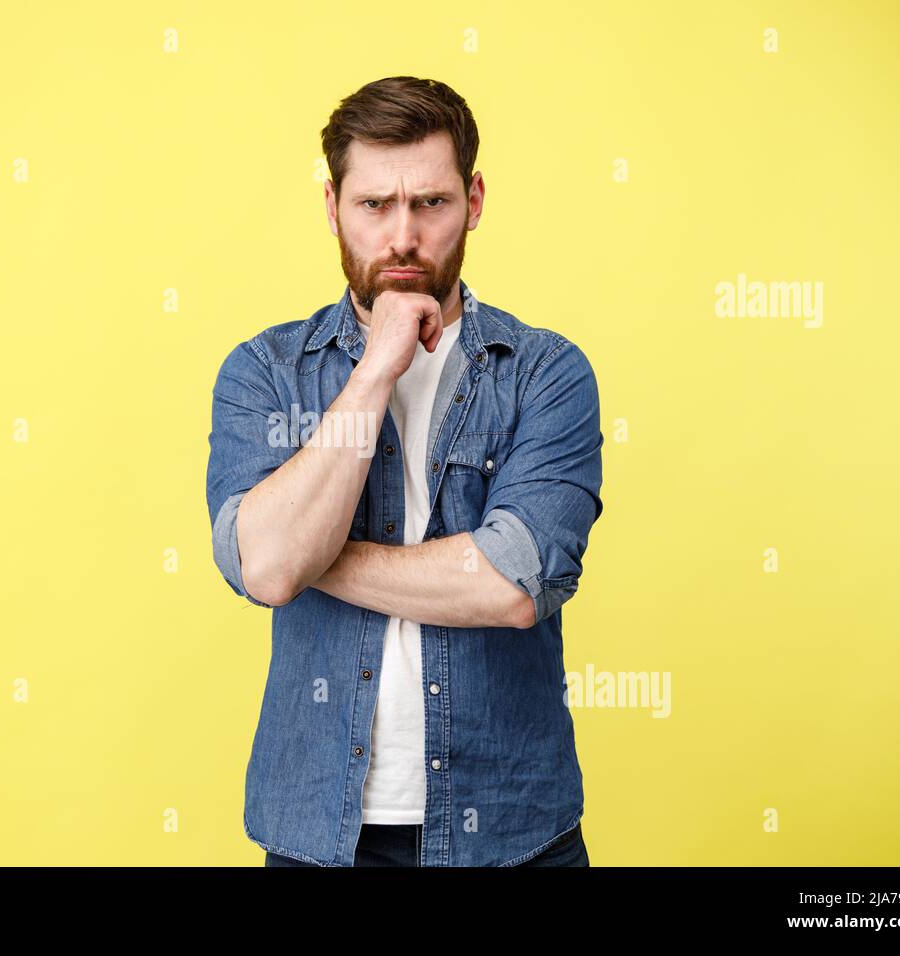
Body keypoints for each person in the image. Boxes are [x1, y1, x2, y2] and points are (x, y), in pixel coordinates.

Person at [206, 76, 604, 867]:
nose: (402, 236)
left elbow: (511, 586)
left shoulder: (546, 373)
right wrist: (376, 370)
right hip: (321, 834)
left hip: (515, 831)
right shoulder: (265, 372)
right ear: (331, 208)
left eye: (430, 203)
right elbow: (265, 566)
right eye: (373, 206)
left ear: (475, 200)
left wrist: (308, 556)